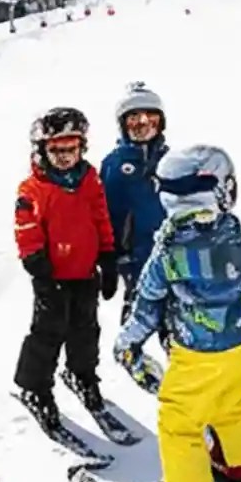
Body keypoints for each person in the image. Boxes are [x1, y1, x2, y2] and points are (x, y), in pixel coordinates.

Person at [113, 144, 241, 482]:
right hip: (236, 349)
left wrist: (129, 340)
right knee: (230, 406)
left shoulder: (169, 252)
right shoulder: (238, 239)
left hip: (194, 356)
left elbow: (147, 304)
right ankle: (240, 467)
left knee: (179, 423)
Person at [12, 106, 119, 427]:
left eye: (71, 148)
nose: (64, 156)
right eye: (56, 150)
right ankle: (35, 387)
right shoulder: (33, 188)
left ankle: (82, 372)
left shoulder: (89, 179)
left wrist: (108, 255)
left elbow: (100, 216)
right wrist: (36, 261)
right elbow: (25, 226)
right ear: (42, 151)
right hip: (51, 276)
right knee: (48, 332)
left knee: (86, 329)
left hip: (85, 272)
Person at [99, 81, 169, 327]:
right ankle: (133, 355)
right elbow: (104, 212)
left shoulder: (171, 161)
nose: (142, 125)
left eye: (150, 118)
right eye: (134, 120)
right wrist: (110, 255)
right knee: (137, 323)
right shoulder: (114, 164)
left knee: (175, 323)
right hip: (133, 257)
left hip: (172, 255)